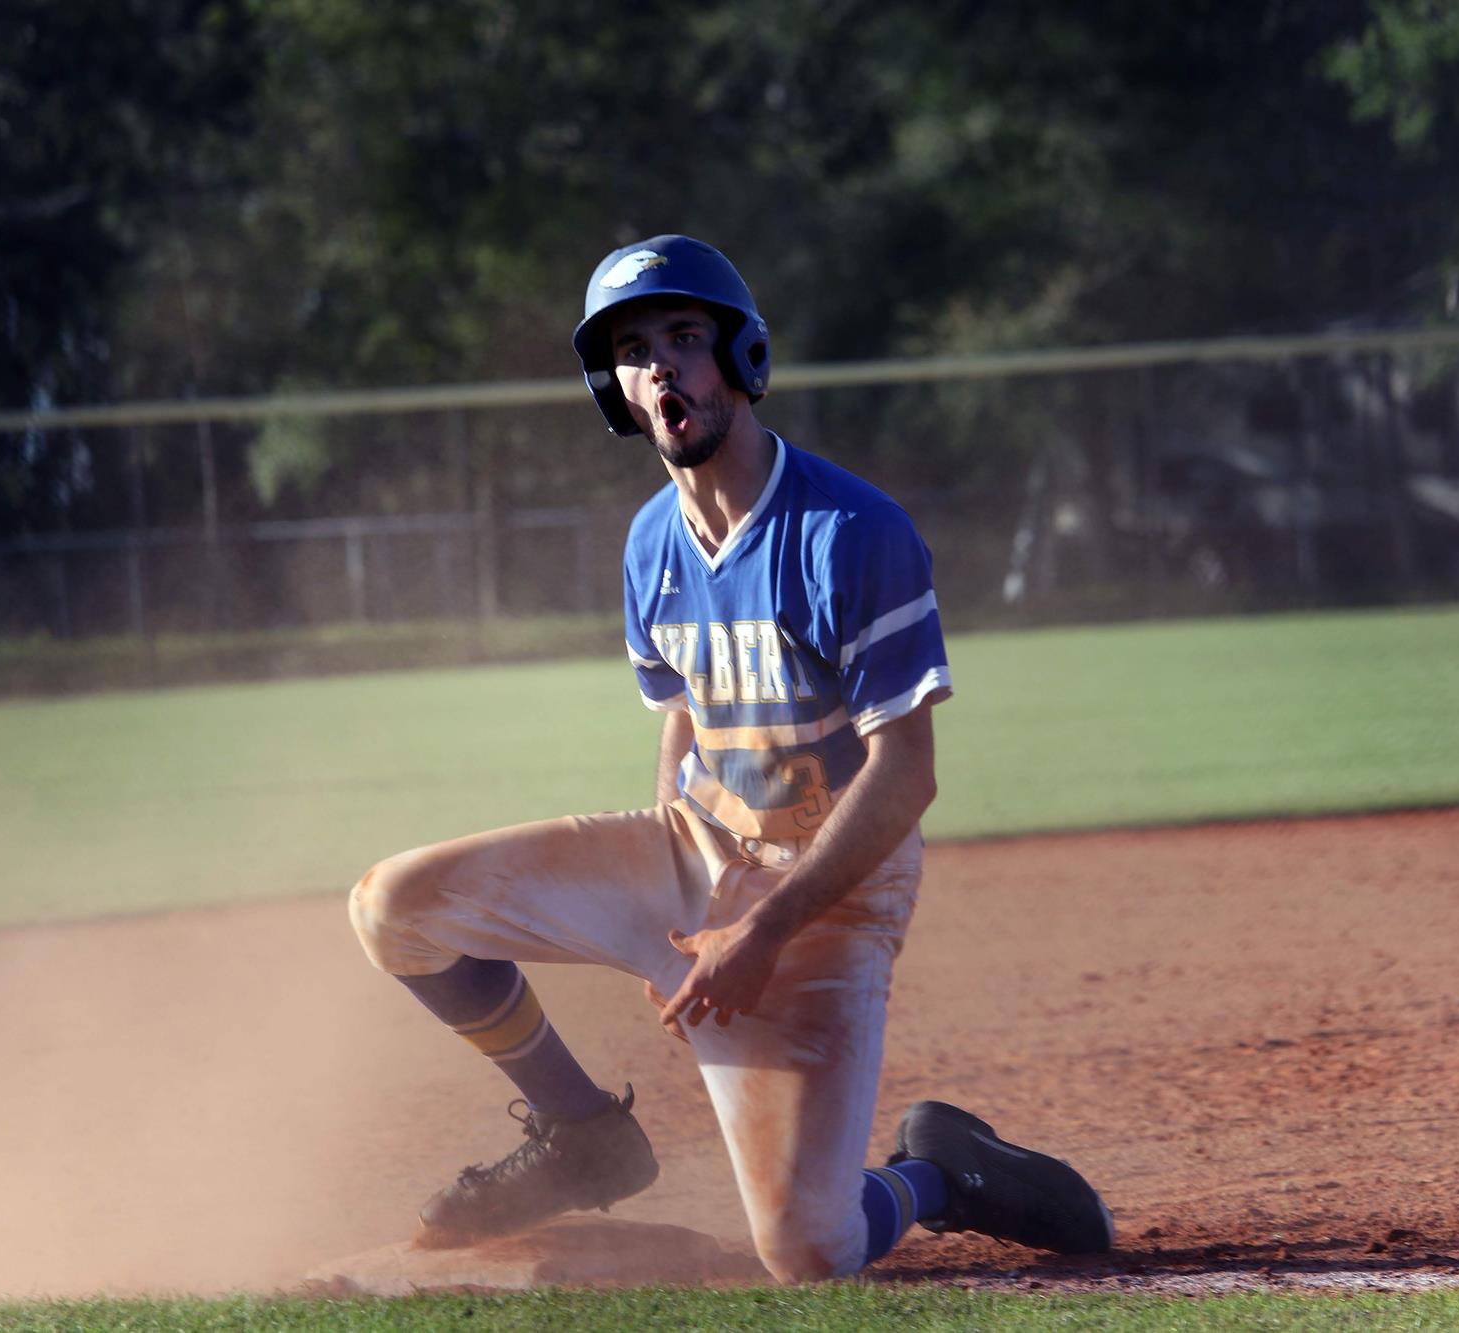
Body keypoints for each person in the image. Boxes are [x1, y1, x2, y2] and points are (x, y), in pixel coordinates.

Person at [349, 235, 1112, 1282]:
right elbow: (681, 714)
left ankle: (939, 1173)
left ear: (741, 356)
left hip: (827, 897)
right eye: (632, 349)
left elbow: (906, 772)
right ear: (613, 390)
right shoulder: (649, 544)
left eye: (682, 336)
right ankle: (581, 1132)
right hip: (692, 848)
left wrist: (755, 929)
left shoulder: (848, 530)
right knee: (394, 907)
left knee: (808, 1247)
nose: (659, 365)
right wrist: (669, 915)